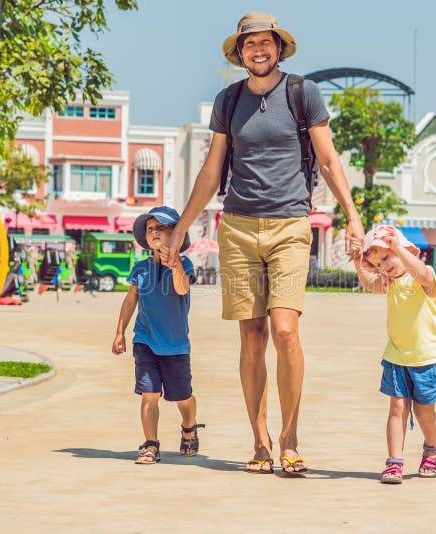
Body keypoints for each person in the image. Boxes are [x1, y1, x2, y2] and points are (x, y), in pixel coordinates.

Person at [166, 12, 364, 475]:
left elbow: (328, 159)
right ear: (240, 53)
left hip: (290, 225)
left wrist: (353, 217)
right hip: (237, 228)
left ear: (278, 47)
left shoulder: (302, 93)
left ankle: (290, 438)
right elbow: (212, 170)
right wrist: (181, 228)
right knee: (251, 337)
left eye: (265, 42)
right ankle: (260, 441)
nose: (258, 50)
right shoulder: (229, 100)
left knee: (285, 330)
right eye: (249, 44)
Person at [353, 225, 436, 484]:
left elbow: (423, 275)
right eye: (378, 264)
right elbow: (370, 285)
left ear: (404, 248)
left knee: (425, 412)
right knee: (397, 407)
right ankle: (394, 462)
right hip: (396, 355)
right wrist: (358, 262)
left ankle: (432, 447)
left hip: (426, 357)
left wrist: (396, 247)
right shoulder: (389, 281)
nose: (384, 267)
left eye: (386, 258)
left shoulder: (424, 276)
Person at [111, 206, 204, 465]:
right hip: (145, 341)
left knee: (182, 397)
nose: (154, 231)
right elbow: (130, 301)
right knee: (149, 394)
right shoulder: (140, 269)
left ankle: (189, 427)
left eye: (161, 227)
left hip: (175, 345)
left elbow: (181, 289)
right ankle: (150, 444)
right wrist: (120, 332)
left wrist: (174, 265)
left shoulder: (184, 264)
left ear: (176, 234)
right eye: (150, 228)